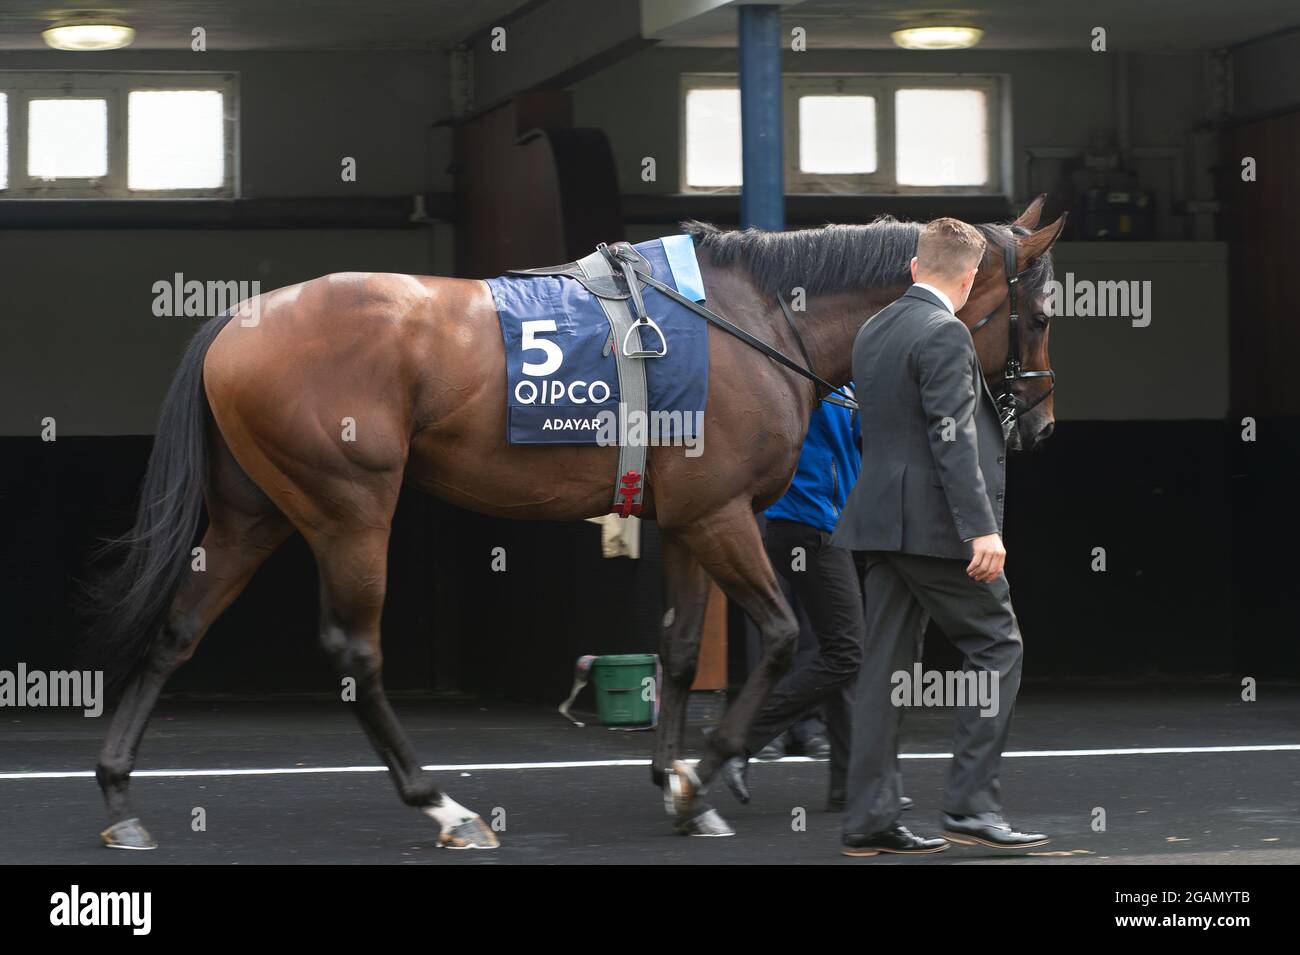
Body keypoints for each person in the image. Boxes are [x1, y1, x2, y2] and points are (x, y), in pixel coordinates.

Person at [831, 217, 1049, 858]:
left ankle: (869, 820)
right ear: (972, 277)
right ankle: (971, 807)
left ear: (914, 267)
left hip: (880, 521)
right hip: (935, 526)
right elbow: (950, 438)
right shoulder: (945, 333)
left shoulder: (874, 329)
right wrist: (980, 528)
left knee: (883, 670)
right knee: (997, 647)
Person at [721, 395, 909, 813]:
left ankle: (851, 783)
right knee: (847, 653)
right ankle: (740, 738)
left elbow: (871, 436)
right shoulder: (814, 372)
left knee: (840, 653)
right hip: (807, 525)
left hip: (829, 525)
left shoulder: (853, 381)